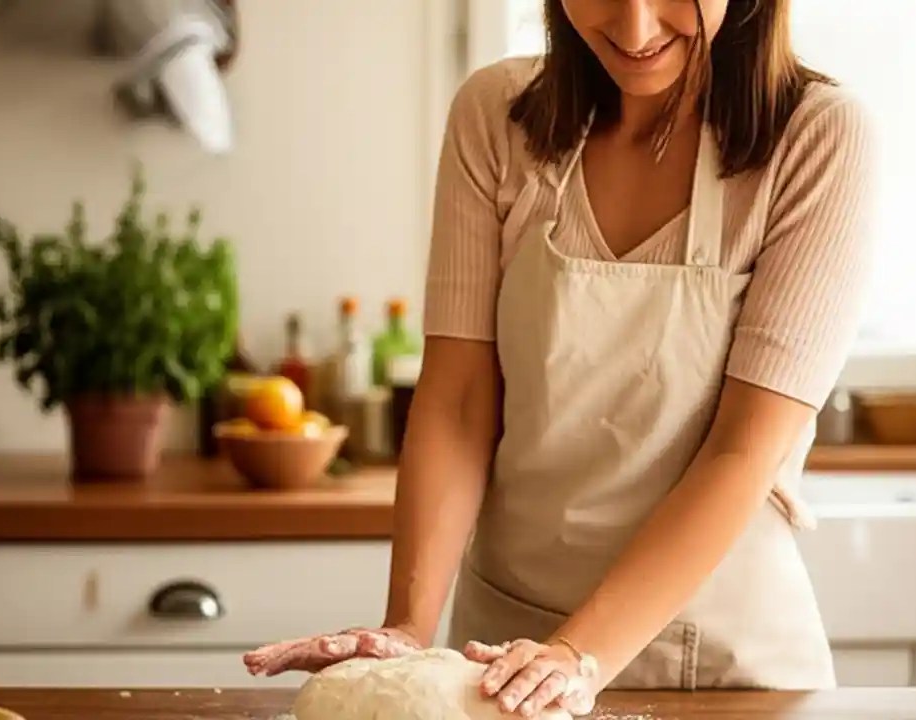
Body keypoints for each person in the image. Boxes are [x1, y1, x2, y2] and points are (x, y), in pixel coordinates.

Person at [244, 0, 874, 716]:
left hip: (722, 670)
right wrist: (408, 630)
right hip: (496, 663)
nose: (636, 29)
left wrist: (577, 654)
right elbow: (456, 403)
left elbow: (743, 450)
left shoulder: (818, 136)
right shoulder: (495, 116)